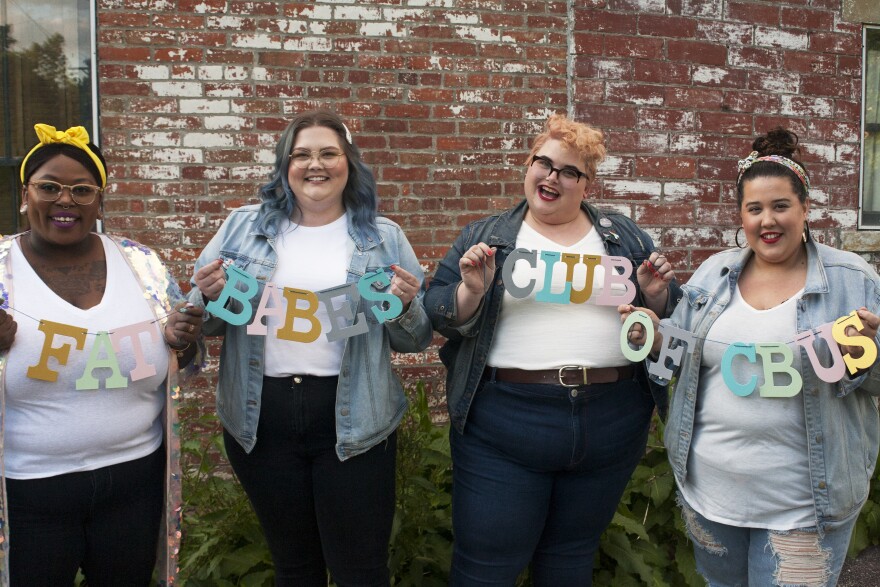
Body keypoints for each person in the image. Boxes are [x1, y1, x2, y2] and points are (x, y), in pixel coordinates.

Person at [423, 113, 681, 585]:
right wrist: (471, 292)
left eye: (569, 171)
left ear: (587, 184)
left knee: (570, 559)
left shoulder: (623, 238)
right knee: (486, 565)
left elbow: (671, 320)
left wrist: (655, 294)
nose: (552, 177)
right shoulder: (486, 237)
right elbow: (437, 311)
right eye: (543, 162)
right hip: (505, 422)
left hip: (611, 419)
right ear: (528, 165)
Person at [621, 127, 880, 586]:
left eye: (781, 206)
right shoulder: (713, 272)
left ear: (805, 208)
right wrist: (657, 322)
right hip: (710, 497)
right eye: (754, 208)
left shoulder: (851, 279)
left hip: (805, 507)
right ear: (740, 216)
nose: (768, 220)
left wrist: (873, 357)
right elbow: (673, 361)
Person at [187, 109, 433, 587]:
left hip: (356, 417)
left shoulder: (384, 238)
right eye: (301, 154)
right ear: (285, 166)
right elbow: (206, 324)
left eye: (328, 153)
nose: (314, 165)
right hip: (263, 417)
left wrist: (403, 306)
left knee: (360, 570)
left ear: (349, 164)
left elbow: (413, 338)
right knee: (294, 568)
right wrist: (209, 296)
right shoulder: (242, 228)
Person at [0, 124, 204, 586]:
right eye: (49, 186)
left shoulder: (143, 265)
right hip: (29, 492)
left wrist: (182, 342)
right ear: (25, 195)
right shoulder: (1, 272)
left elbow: (181, 367)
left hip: (134, 485)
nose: (65, 200)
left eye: (82, 190)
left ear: (100, 200)